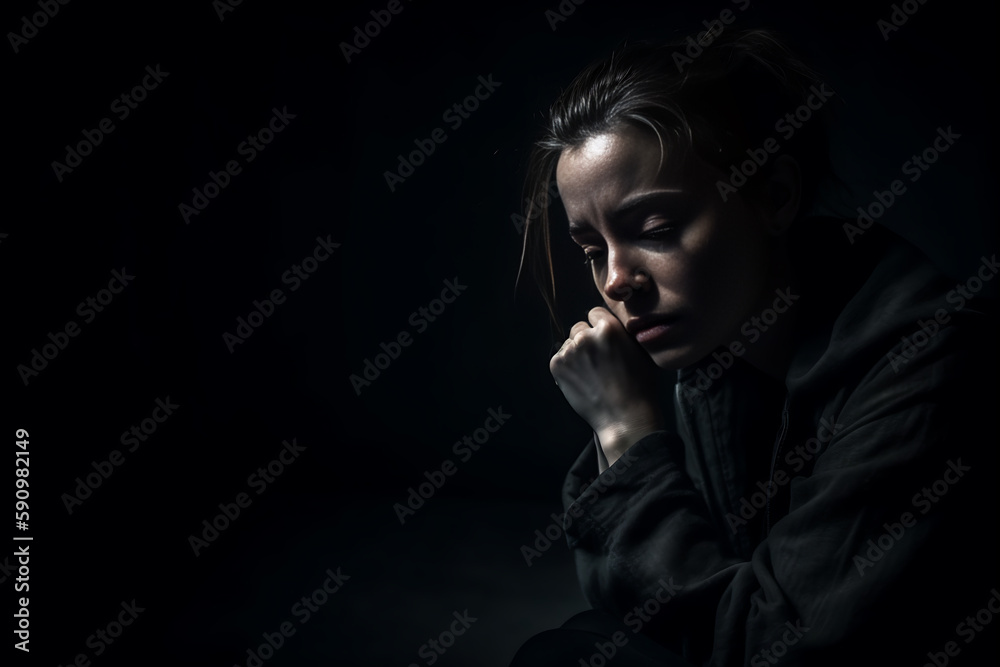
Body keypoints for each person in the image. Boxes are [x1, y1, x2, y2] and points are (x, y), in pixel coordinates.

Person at [510, 28, 997, 667]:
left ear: (775, 196)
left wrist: (626, 434)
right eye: (592, 250)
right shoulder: (715, 350)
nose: (615, 281)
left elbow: (776, 645)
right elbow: (630, 598)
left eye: (654, 229)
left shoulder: (928, 363)